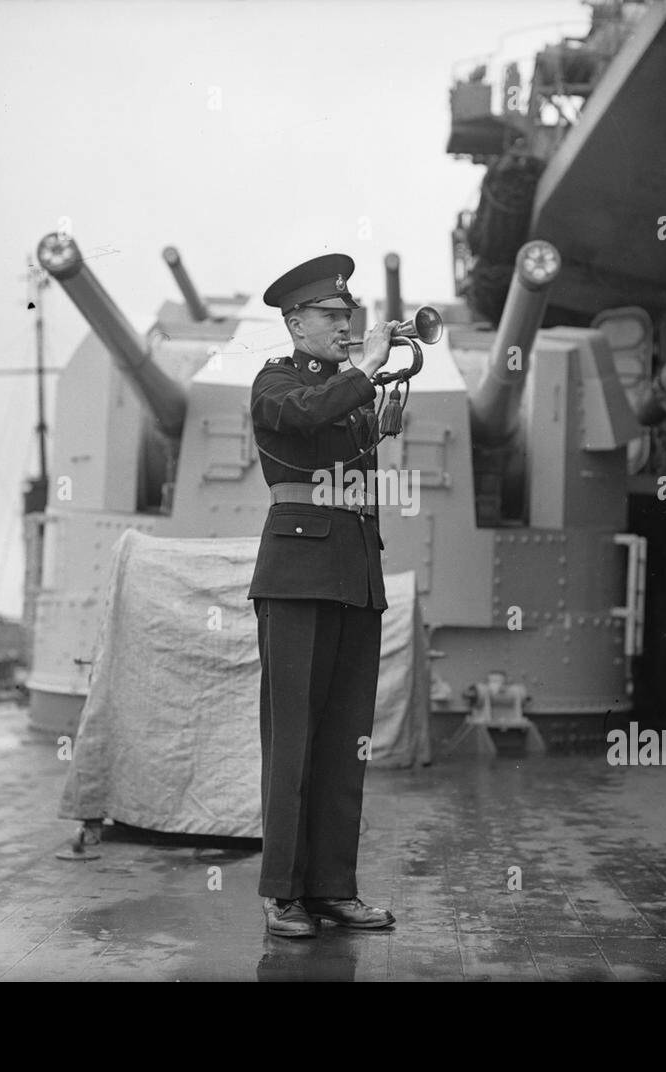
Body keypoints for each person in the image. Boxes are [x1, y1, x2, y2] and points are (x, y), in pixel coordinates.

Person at [247, 253, 398, 939]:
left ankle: (334, 889)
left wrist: (376, 387)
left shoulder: (350, 390)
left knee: (345, 743)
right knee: (293, 744)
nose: (346, 326)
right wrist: (366, 371)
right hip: (299, 573)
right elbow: (307, 415)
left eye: (349, 317)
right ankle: (283, 894)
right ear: (295, 322)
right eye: (333, 317)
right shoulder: (276, 383)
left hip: (353, 573)